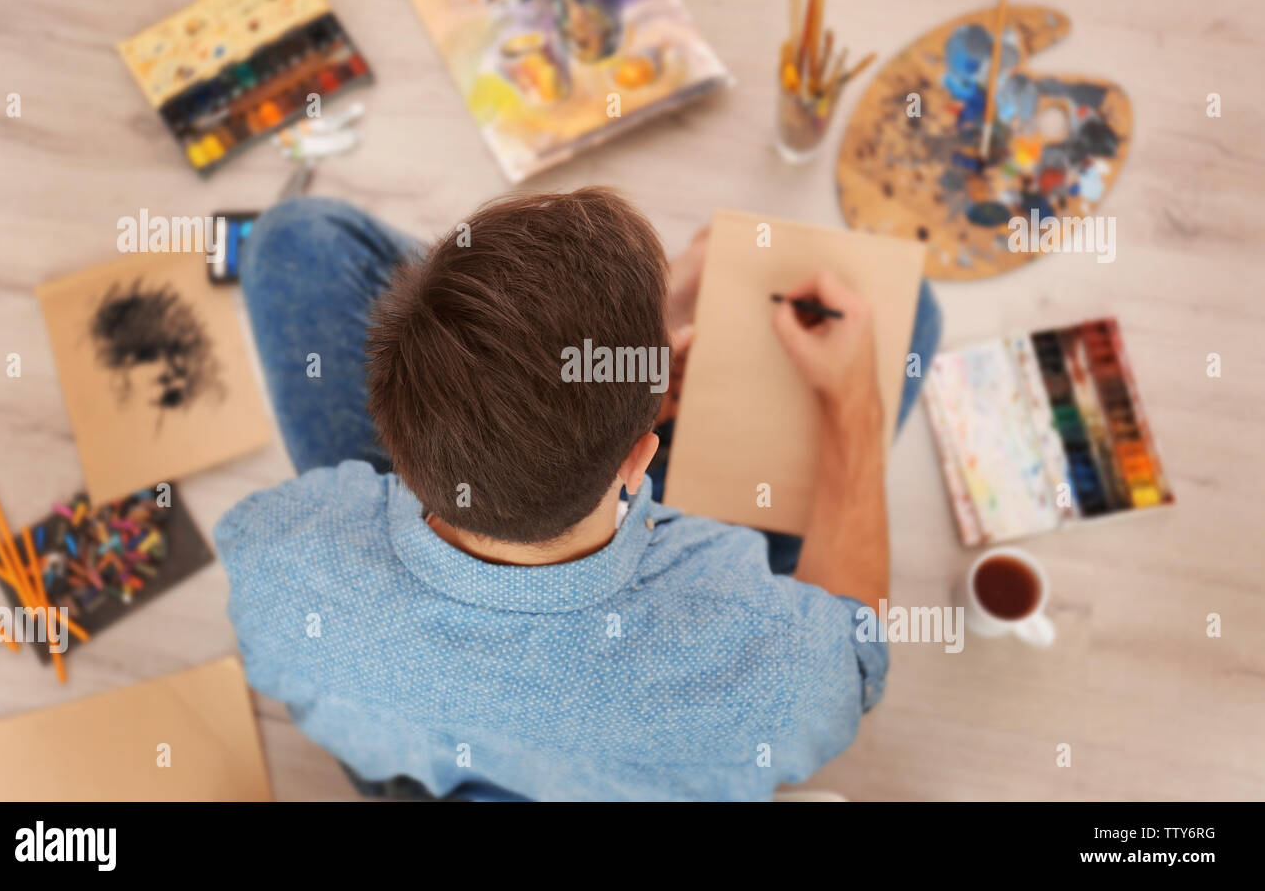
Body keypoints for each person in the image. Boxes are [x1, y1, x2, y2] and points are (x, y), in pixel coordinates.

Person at [215, 188, 941, 801]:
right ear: (640, 463)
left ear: (389, 422)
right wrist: (854, 409)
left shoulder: (279, 548)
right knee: (920, 313)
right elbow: (857, 660)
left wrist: (584, 386)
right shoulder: (749, 639)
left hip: (420, 763)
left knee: (295, 235)